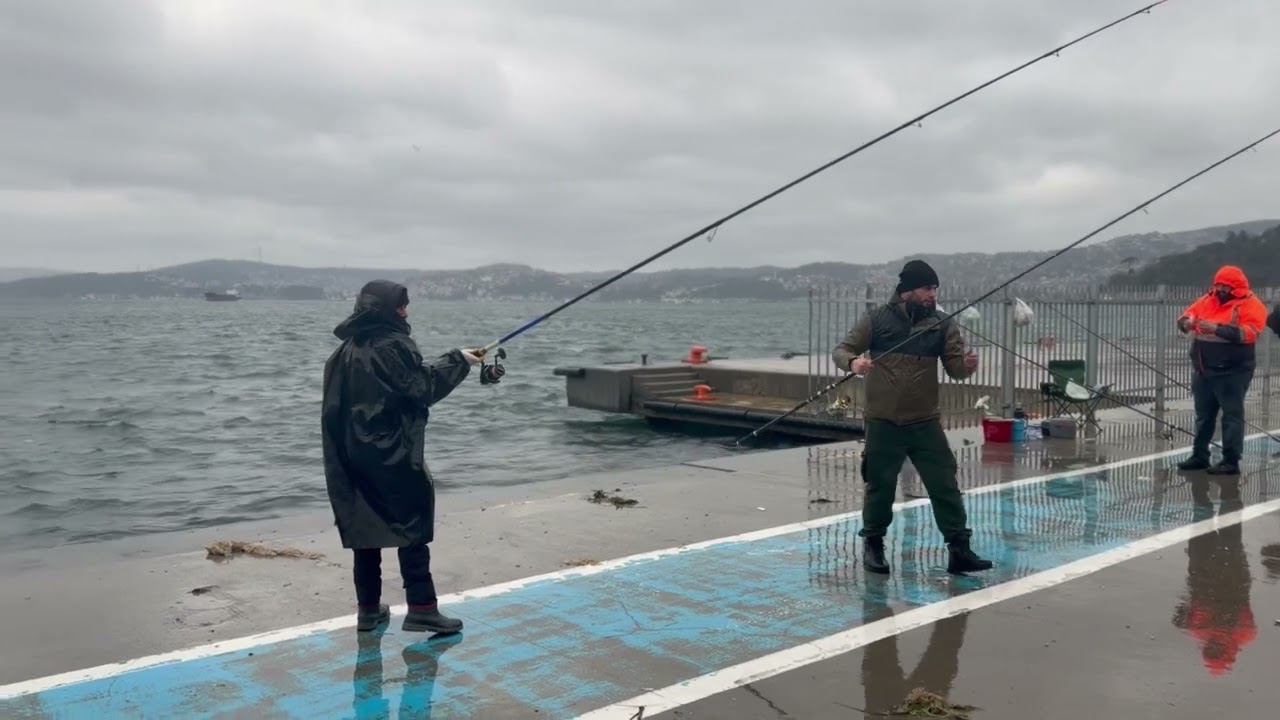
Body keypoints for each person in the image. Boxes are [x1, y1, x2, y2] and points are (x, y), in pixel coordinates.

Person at [321, 280, 505, 633]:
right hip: (391, 452)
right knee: (412, 526)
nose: (405, 311)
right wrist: (458, 361)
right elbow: (422, 388)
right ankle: (422, 607)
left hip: (349, 455)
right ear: (384, 309)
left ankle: (369, 611)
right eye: (400, 305)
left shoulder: (343, 352)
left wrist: (458, 358)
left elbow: (394, 383)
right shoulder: (393, 344)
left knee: (365, 530)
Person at [833, 259, 992, 576]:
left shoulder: (943, 324)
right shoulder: (876, 320)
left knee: (945, 483)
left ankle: (959, 550)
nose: (932, 294)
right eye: (927, 288)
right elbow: (842, 349)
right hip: (883, 421)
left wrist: (969, 364)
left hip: (924, 422)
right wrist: (854, 364)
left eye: (935, 288)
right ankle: (874, 547)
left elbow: (956, 371)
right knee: (879, 486)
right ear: (907, 290)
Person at [1174, 265, 1267, 475]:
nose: (1220, 289)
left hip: (1233, 371)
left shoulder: (1252, 305)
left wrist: (1217, 329)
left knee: (1231, 416)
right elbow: (1185, 315)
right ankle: (1199, 456)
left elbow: (1249, 333)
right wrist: (1186, 323)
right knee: (1203, 416)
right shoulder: (1207, 299)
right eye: (1218, 285)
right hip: (1203, 369)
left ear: (1236, 287)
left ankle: (1231, 461)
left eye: (1225, 286)